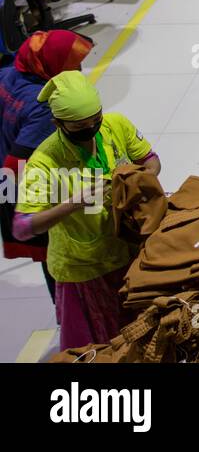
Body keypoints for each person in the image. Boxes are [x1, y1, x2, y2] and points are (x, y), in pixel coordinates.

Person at [15, 71, 160, 349]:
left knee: (139, 332)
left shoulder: (115, 125)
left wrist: (135, 179)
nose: (92, 128)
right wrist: (74, 203)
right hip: (85, 266)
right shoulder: (45, 161)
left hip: (127, 249)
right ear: (58, 123)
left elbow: (151, 160)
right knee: (102, 344)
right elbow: (23, 227)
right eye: (81, 125)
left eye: (96, 119)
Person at [0, 31, 93, 301]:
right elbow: (16, 164)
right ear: (50, 66)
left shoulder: (7, 75)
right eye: (73, 65)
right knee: (61, 254)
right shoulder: (43, 105)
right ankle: (70, 311)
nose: (80, 70)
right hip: (33, 188)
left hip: (8, 185)